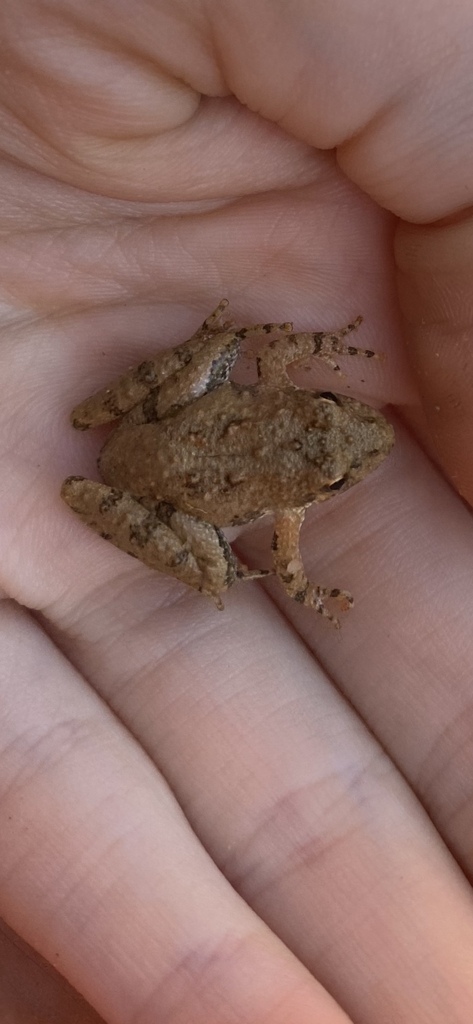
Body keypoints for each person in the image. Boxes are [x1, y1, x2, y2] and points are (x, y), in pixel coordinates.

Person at [1, 2, 473, 1022]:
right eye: (343, 452)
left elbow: (266, 346)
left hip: (166, 419)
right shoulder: (295, 501)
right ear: (318, 438)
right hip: (151, 474)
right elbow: (293, 570)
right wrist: (290, 578)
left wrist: (303, 366)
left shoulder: (293, 402)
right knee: (219, 568)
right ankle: (201, 557)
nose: (358, 452)